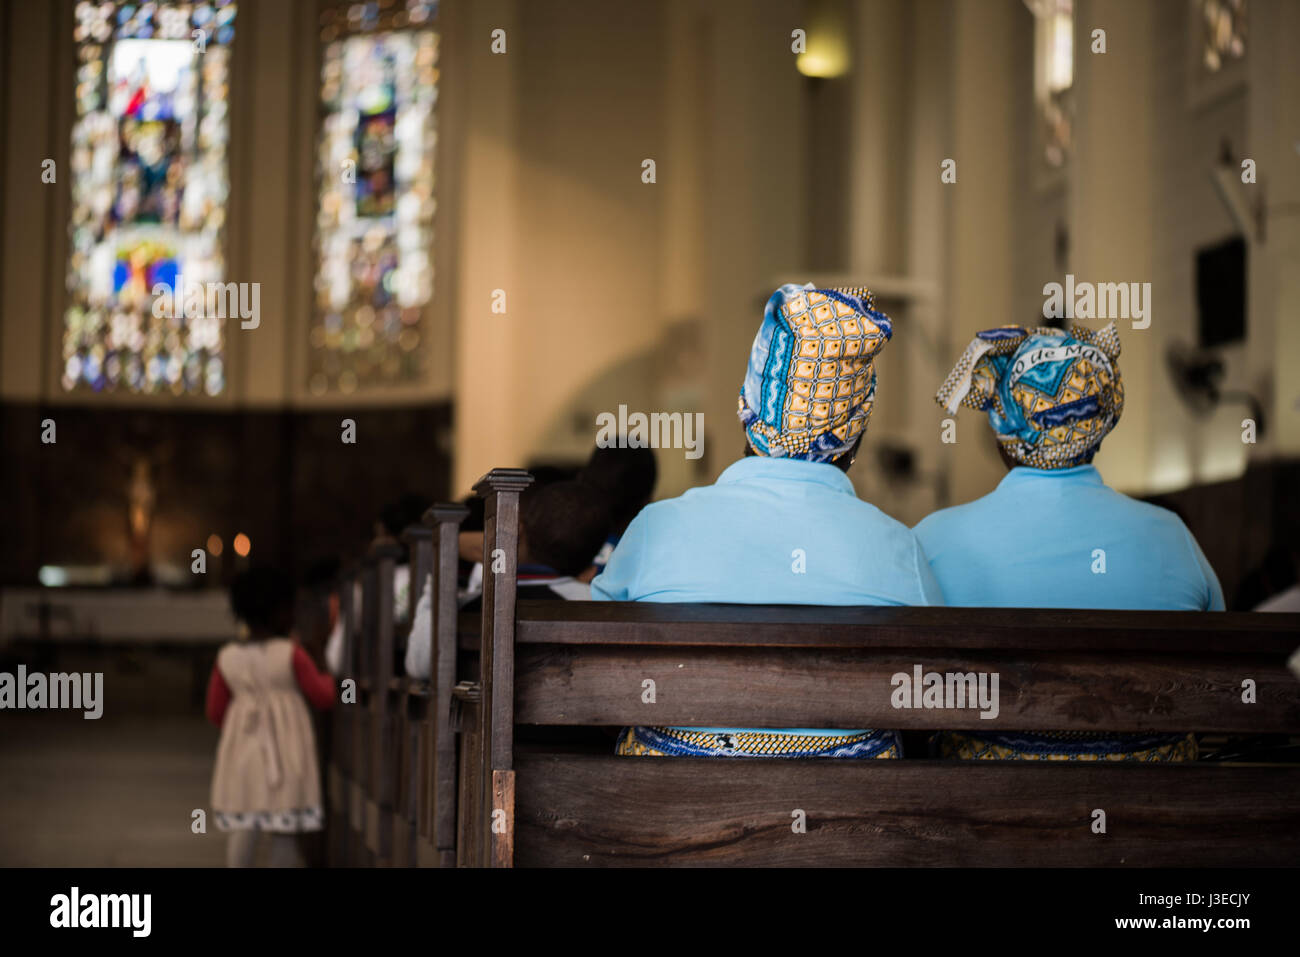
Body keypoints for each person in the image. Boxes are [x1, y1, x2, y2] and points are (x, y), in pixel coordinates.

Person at [593, 282, 943, 759]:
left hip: (670, 816)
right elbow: (934, 689)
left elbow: (594, 669)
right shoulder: (899, 548)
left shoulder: (658, 527)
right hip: (852, 820)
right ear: (855, 432)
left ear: (747, 407)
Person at [914, 321, 1223, 761]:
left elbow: (907, 691)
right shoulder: (1172, 537)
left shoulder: (935, 539)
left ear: (1005, 433)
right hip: (1154, 811)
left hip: (990, 811)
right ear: (1099, 429)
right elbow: (1214, 678)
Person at [404, 479, 612, 678]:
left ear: (518, 530)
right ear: (591, 565)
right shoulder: (599, 607)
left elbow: (419, 665)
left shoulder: (472, 605)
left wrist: (447, 554)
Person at [206, 567, 335, 866]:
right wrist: (328, 670)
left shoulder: (227, 657)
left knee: (243, 825)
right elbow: (323, 696)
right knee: (284, 832)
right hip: (287, 755)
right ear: (279, 612)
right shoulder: (291, 653)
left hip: (243, 754)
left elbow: (215, 711)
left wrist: (244, 721)